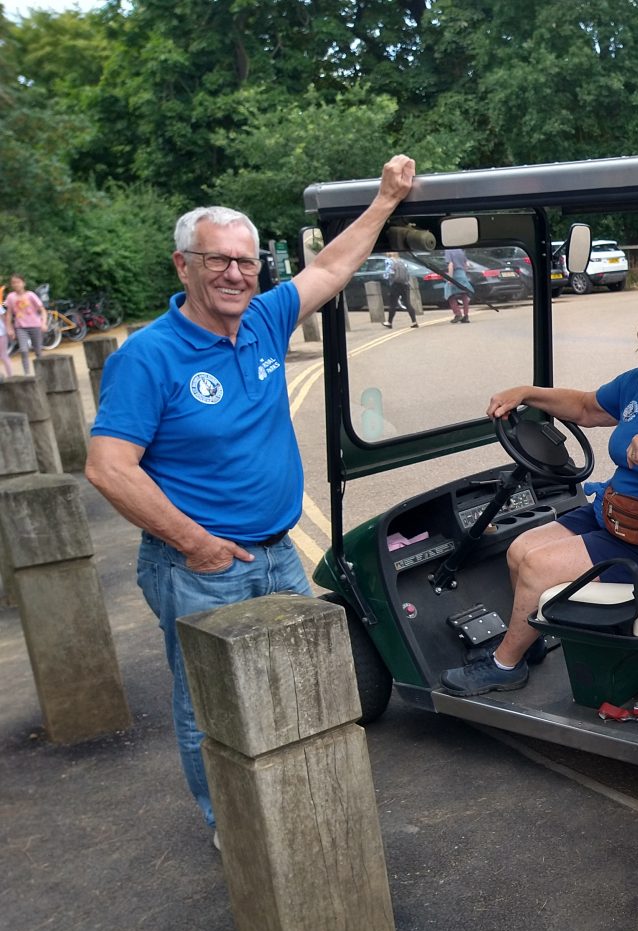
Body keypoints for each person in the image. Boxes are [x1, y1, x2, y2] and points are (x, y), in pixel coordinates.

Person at [84, 155, 417, 846]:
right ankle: (230, 825)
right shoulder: (149, 357)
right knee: (210, 705)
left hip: (279, 555)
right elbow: (109, 468)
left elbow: (328, 269)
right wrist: (195, 543)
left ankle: (296, 808)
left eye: (246, 260)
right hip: (204, 567)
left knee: (299, 684)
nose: (236, 273)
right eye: (218, 261)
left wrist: (386, 200)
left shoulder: (264, 320)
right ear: (183, 267)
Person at [441, 291, 638, 695]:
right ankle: (529, 640)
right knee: (520, 549)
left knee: (539, 567)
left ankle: (505, 665)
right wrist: (526, 392)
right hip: (610, 514)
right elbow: (587, 408)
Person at [6, 276, 46, 375]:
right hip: (20, 327)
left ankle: (42, 372)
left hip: (35, 325)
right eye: (13, 283)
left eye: (18, 282)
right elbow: (9, 314)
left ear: (23, 283)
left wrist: (43, 323)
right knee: (23, 350)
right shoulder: (11, 297)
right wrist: (9, 328)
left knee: (38, 351)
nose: (16, 285)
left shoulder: (31, 295)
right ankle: (27, 373)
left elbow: (42, 310)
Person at [381, 251, 418, 329]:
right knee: (407, 303)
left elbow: (388, 273)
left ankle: (389, 322)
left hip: (395, 284)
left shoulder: (389, 261)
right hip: (405, 284)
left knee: (393, 304)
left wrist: (385, 277)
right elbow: (407, 273)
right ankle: (414, 322)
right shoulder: (402, 261)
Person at [444, 246, 472, 323]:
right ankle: (466, 316)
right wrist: (464, 274)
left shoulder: (448, 250)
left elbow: (451, 264)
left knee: (449, 294)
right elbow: (466, 264)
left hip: (454, 274)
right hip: (462, 274)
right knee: (464, 294)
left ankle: (458, 314)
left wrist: (450, 278)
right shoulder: (460, 250)